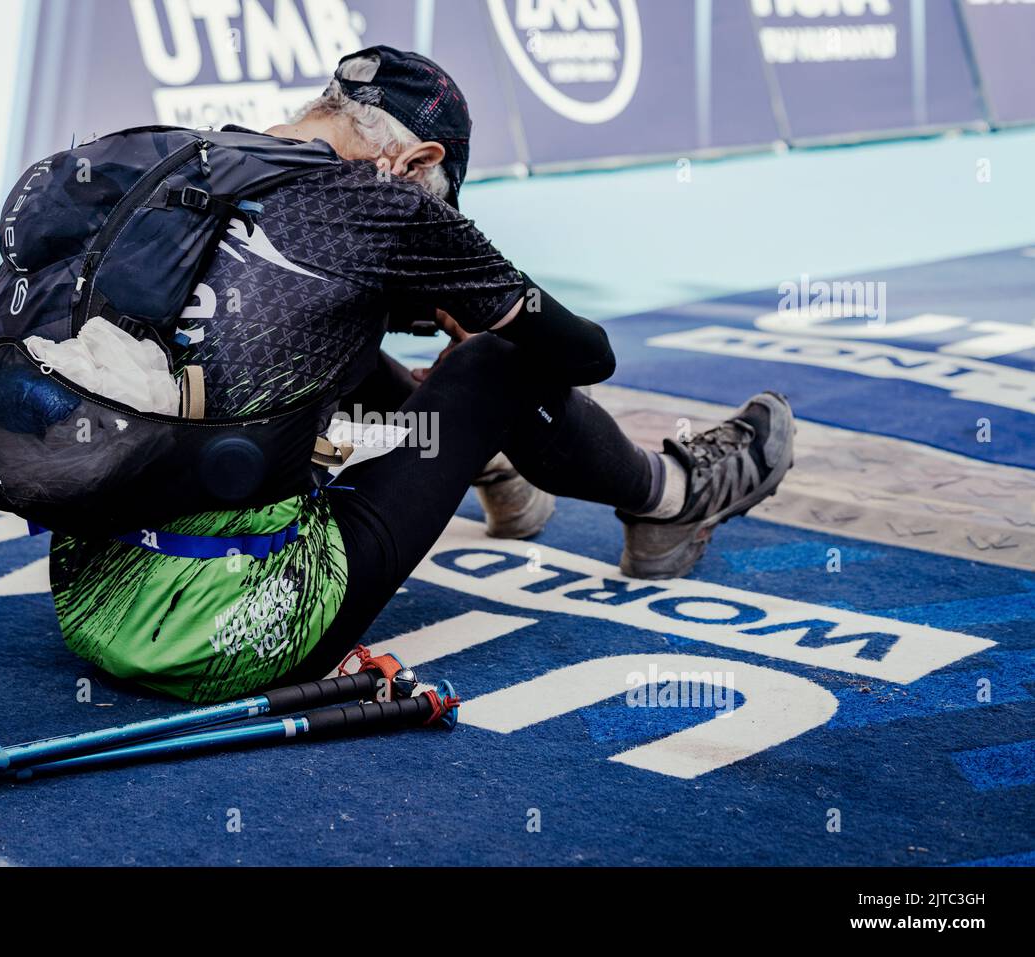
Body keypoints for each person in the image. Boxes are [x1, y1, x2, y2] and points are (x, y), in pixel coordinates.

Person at [49, 46, 795, 704]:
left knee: (319, 341)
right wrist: (463, 303)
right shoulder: (386, 205)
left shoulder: (186, 165)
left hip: (90, 603)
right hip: (234, 637)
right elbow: (586, 353)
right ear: (418, 161)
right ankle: (671, 497)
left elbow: (281, 323)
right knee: (494, 361)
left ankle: (498, 467)